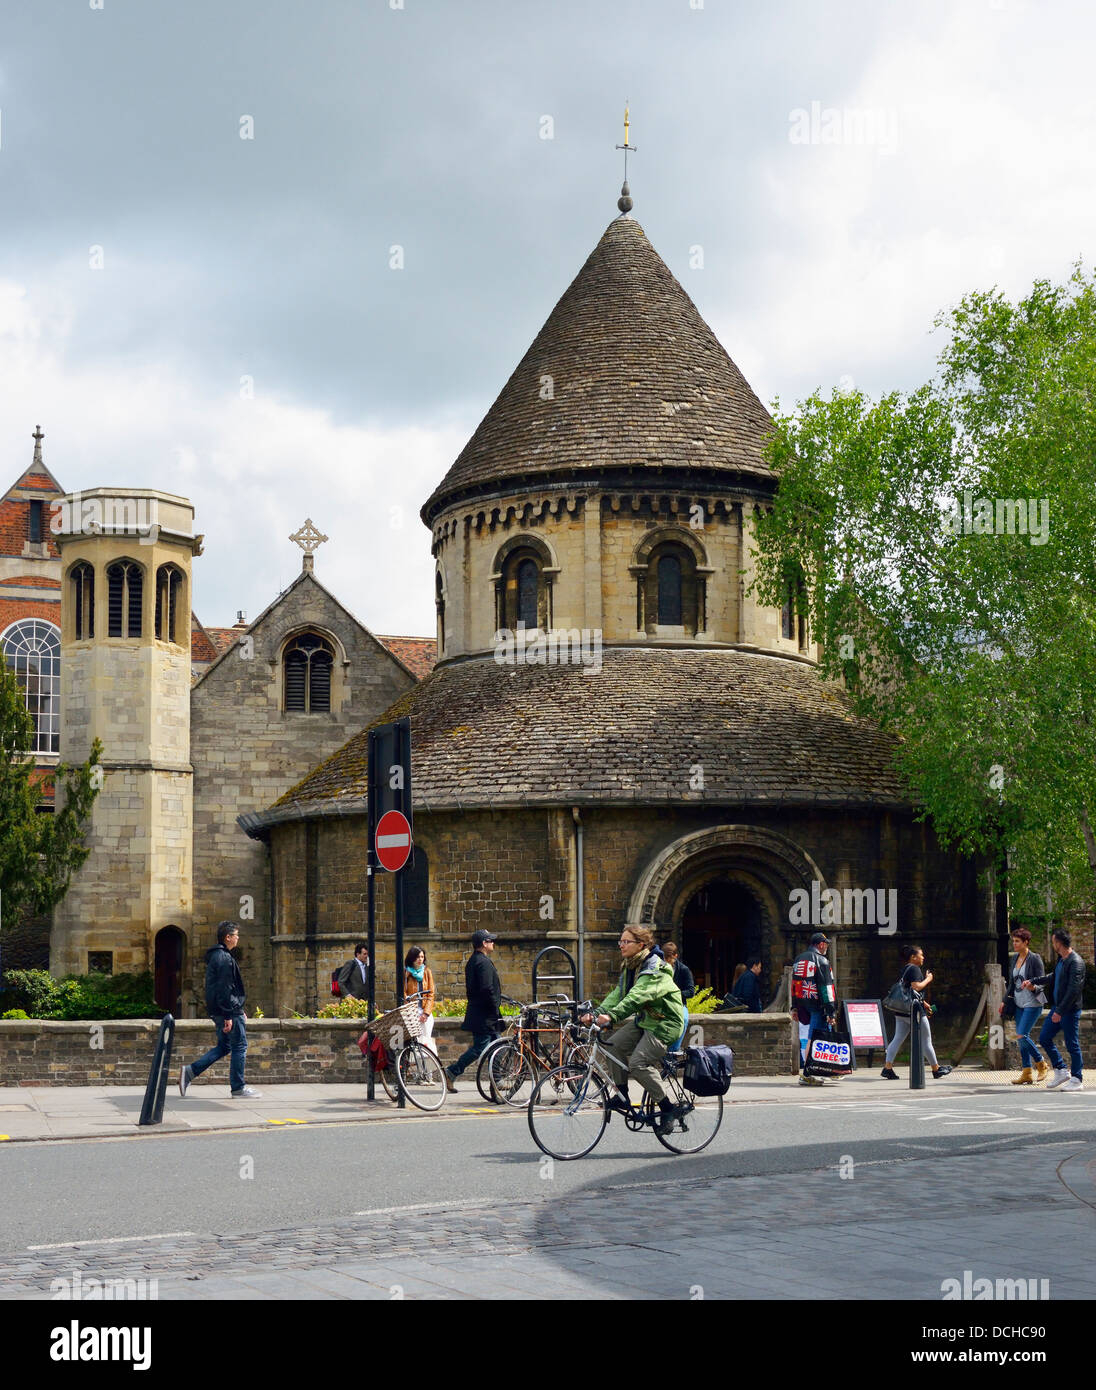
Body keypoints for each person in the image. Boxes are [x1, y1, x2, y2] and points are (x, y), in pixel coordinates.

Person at [580, 924, 686, 1136]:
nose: (621, 945)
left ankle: (668, 1108)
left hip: (666, 1024)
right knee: (611, 1046)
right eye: (620, 941)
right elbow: (619, 994)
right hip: (646, 1020)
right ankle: (623, 1096)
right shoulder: (630, 966)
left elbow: (638, 995)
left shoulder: (656, 967)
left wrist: (612, 1016)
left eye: (626, 942)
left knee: (638, 1064)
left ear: (641, 944)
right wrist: (597, 1012)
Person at [178, 921, 261, 1100]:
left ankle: (190, 1072)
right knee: (240, 1046)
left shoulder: (218, 956)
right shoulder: (223, 958)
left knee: (225, 1046)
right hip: (226, 1011)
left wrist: (238, 1009)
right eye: (236, 935)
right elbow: (224, 989)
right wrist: (229, 1014)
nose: (238, 938)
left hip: (224, 1009)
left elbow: (223, 989)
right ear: (228, 937)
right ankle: (238, 1089)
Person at [1023, 928, 1085, 1092]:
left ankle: (1077, 1079)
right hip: (1058, 1008)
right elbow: (1053, 977)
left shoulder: (1076, 962)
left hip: (1069, 1010)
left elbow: (1074, 990)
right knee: (1044, 1038)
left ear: (1058, 943)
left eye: (1053, 942)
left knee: (1072, 1044)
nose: (1052, 945)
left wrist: (1060, 1011)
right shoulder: (1062, 960)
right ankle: (1061, 1070)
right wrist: (1034, 981)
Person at [880, 945, 952, 1081]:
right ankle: (936, 1069)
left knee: (897, 1038)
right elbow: (916, 987)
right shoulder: (915, 969)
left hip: (902, 1011)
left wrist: (924, 1003)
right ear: (913, 957)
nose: (923, 957)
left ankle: (887, 1067)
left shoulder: (905, 969)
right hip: (913, 1012)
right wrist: (928, 979)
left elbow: (910, 992)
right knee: (926, 1041)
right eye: (921, 955)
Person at [444, 930, 502, 1092]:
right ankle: (452, 1071)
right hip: (485, 1015)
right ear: (484, 943)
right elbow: (486, 989)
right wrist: (494, 1006)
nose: (493, 943)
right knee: (481, 1048)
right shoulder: (481, 962)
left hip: (484, 1014)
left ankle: (496, 1081)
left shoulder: (475, 961)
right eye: (491, 941)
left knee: (497, 1047)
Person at [999, 928, 1047, 1084]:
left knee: (1021, 1035)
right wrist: (1004, 1000)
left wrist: (1034, 987)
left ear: (1026, 942)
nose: (1014, 944)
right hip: (1018, 1003)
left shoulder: (1035, 959)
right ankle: (1026, 1073)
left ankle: (1041, 1064)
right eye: (1013, 941)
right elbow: (1012, 984)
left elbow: (1042, 981)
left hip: (1033, 1003)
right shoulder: (1014, 959)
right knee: (1021, 1039)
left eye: (1017, 941)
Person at [792, 932, 839, 1086]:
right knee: (814, 1038)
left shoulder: (798, 960)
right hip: (819, 1005)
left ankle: (830, 1070)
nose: (827, 946)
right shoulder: (822, 961)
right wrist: (830, 1011)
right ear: (820, 944)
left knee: (824, 1036)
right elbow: (827, 989)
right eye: (826, 943)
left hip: (804, 1003)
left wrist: (794, 1007)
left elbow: (795, 986)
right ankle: (807, 1073)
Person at [404, 946, 436, 1055]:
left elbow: (431, 994)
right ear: (412, 958)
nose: (420, 959)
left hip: (424, 1012)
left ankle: (428, 1069)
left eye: (422, 957)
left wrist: (426, 1013)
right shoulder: (406, 973)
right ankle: (415, 1068)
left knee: (426, 1040)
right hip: (412, 1012)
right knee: (414, 1043)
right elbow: (403, 994)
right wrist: (411, 1012)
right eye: (417, 957)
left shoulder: (427, 972)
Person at [661, 941, 696, 1006]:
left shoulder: (684, 970)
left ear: (675, 956)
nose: (667, 964)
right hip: (661, 1005)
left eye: (669, 960)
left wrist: (673, 994)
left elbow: (691, 992)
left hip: (679, 1005)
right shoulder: (658, 968)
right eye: (664, 960)